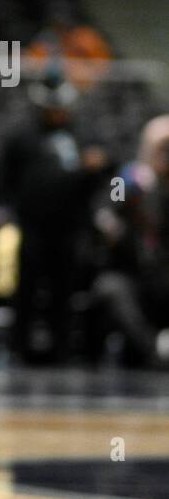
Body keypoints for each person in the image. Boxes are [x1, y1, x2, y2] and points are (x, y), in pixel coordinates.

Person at [0, 76, 109, 363]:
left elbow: (104, 174)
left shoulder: (84, 135)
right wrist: (7, 213)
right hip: (32, 225)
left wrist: (98, 166)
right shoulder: (22, 137)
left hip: (70, 227)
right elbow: (4, 181)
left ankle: (61, 351)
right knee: (27, 288)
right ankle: (19, 348)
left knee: (63, 288)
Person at [91, 115, 169, 366]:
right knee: (110, 288)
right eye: (162, 149)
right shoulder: (129, 178)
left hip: (164, 277)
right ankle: (154, 354)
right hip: (133, 275)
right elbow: (104, 212)